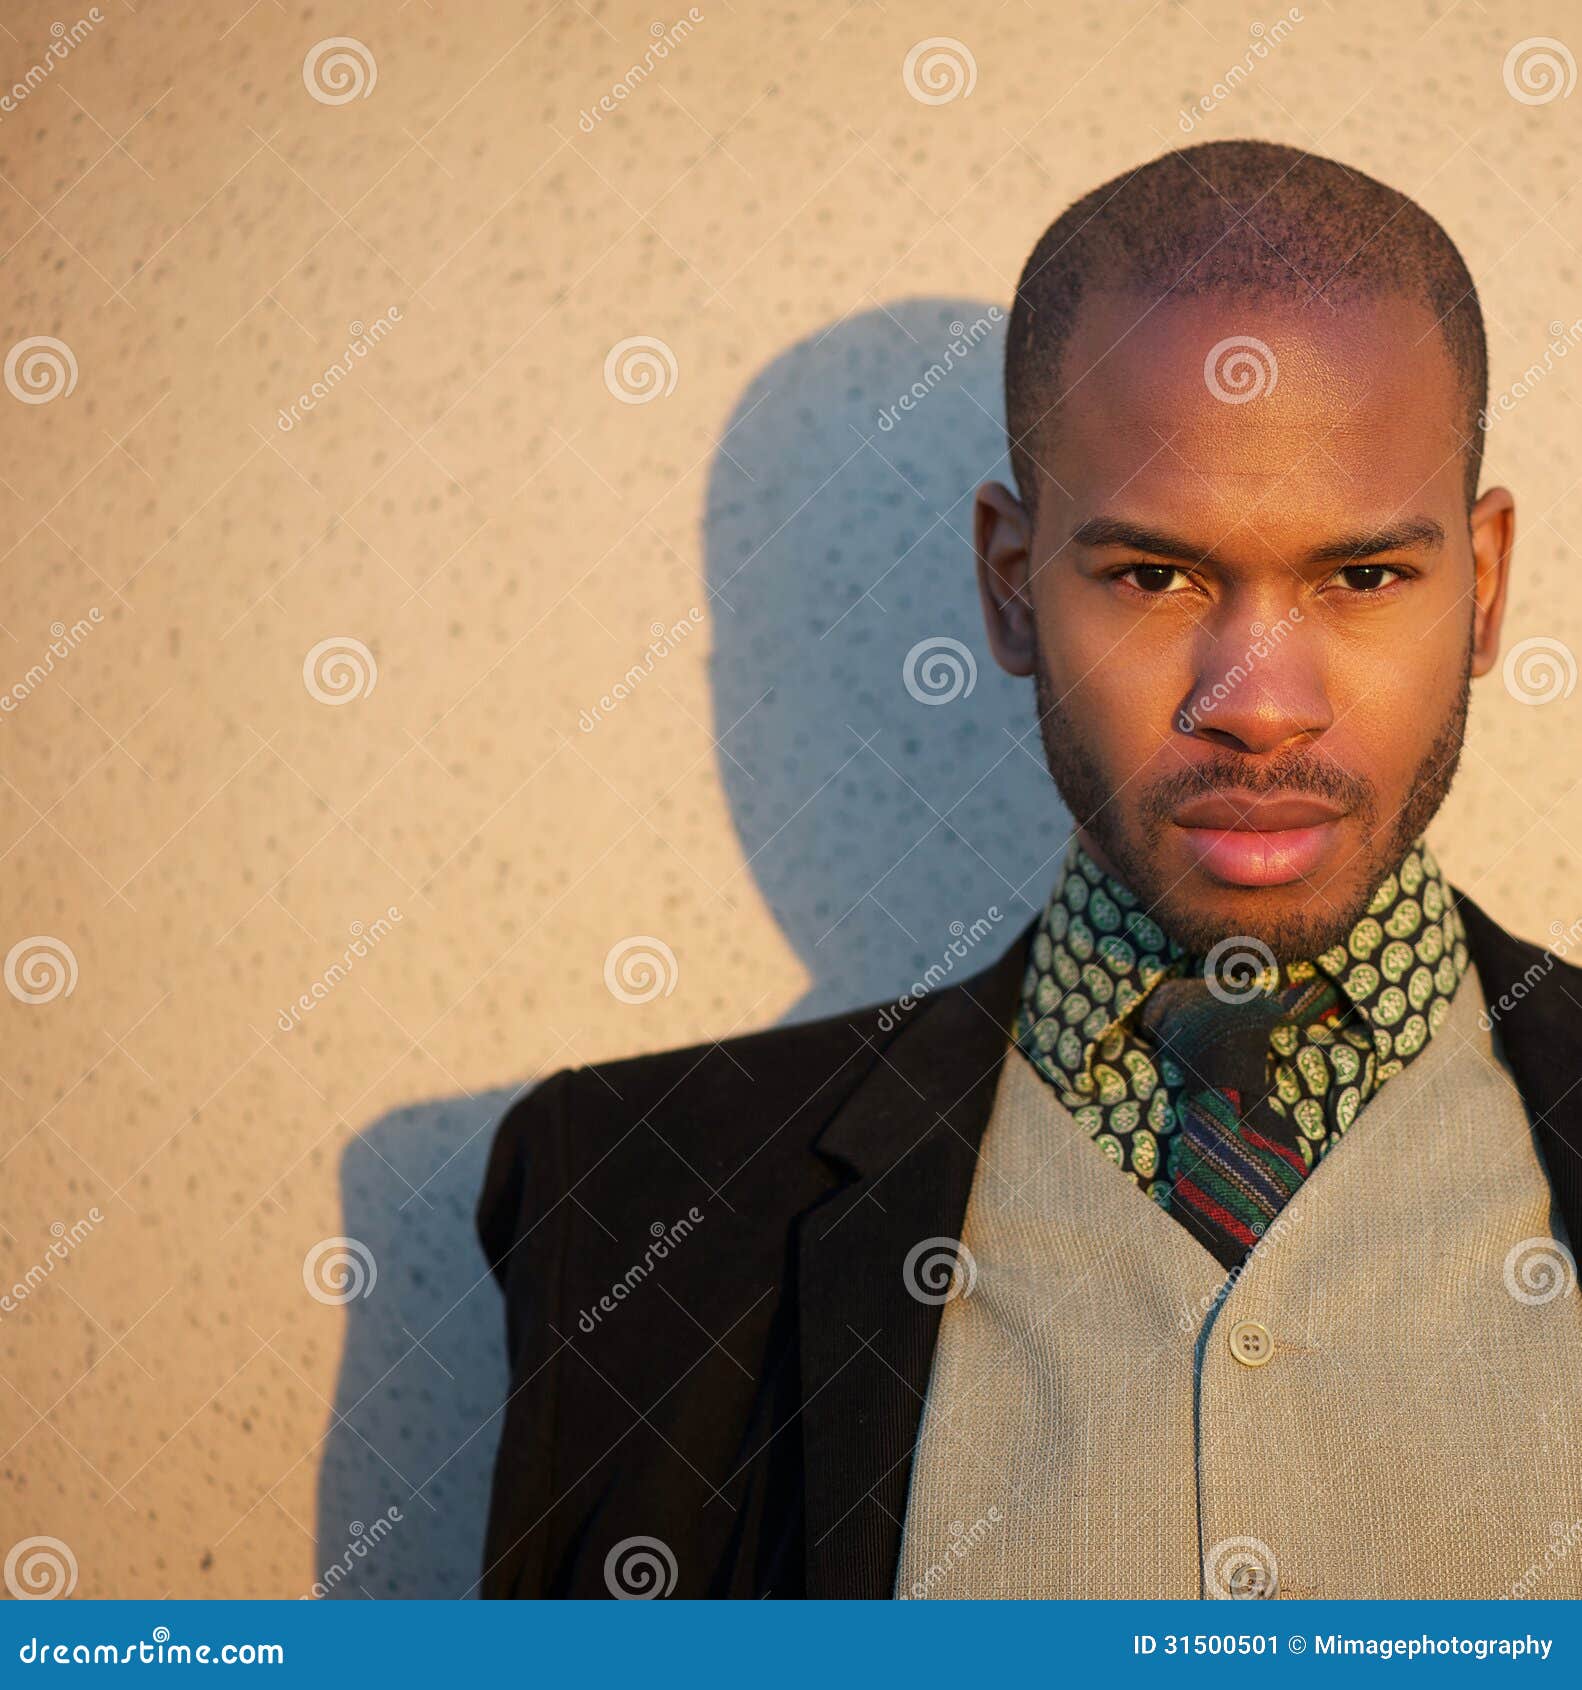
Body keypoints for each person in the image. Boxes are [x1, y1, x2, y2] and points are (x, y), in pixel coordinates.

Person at [476, 138, 1582, 1600]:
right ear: (1009, 582)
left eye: (1361, 577)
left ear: (1485, 583)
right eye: (1151, 576)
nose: (1255, 698)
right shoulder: (633, 1198)